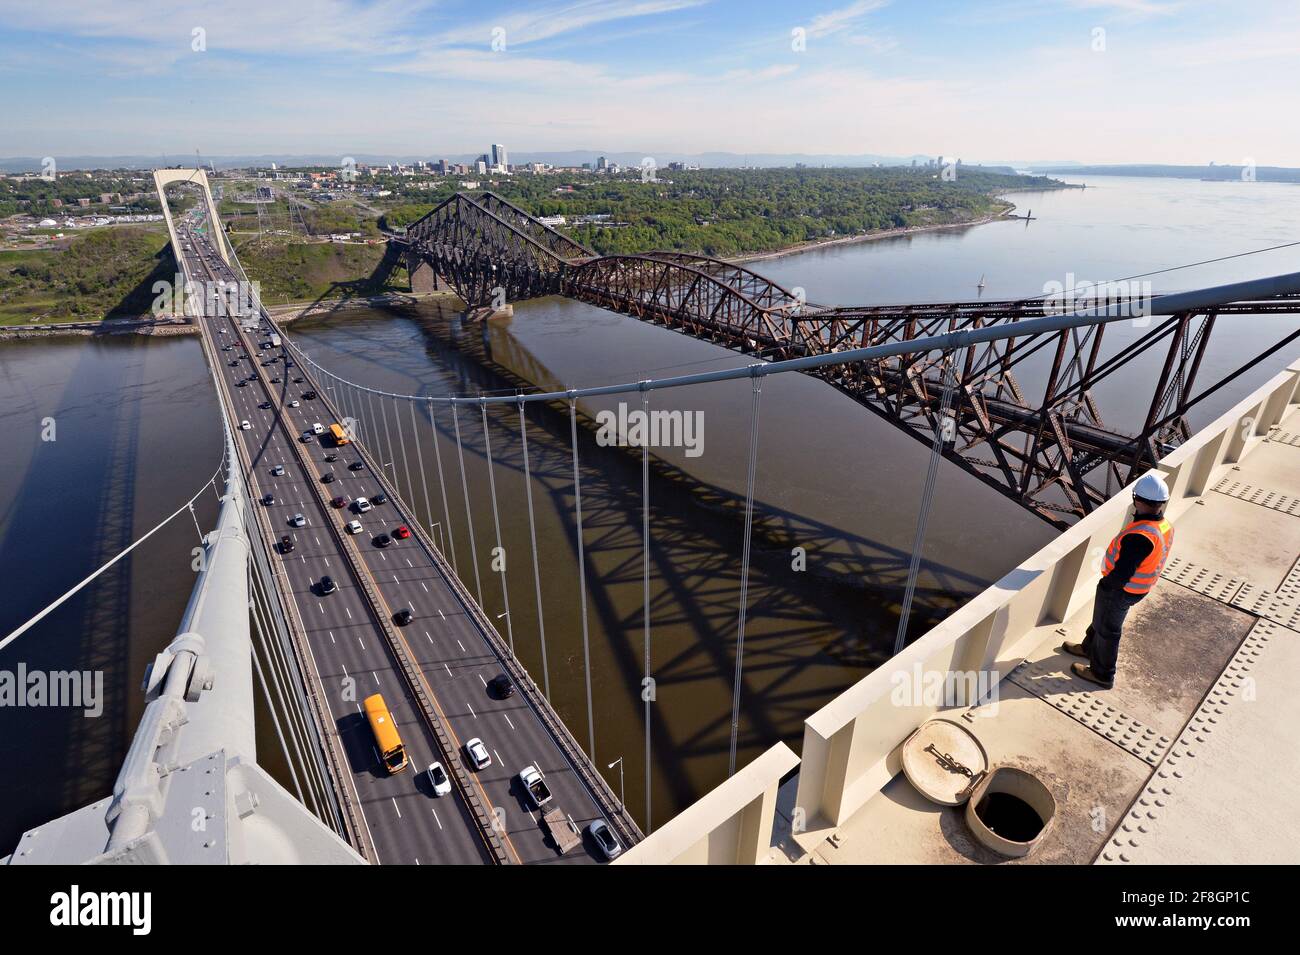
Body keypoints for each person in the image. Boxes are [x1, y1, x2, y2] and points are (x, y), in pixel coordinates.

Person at [1062, 473, 1174, 689]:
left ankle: (1102, 674)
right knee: (1101, 619)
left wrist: (1108, 585)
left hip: (1121, 590)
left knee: (1108, 630)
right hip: (1138, 588)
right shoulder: (1163, 526)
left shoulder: (1139, 536)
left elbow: (1123, 572)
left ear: (1138, 500)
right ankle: (1088, 648)